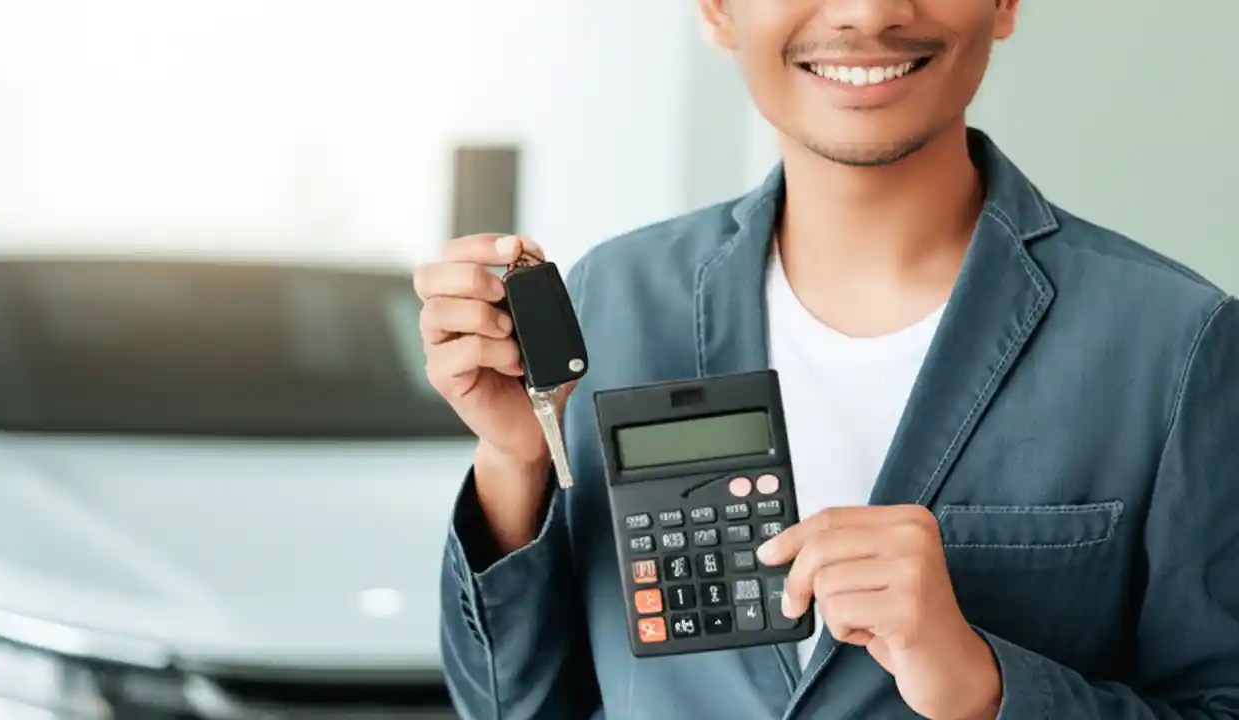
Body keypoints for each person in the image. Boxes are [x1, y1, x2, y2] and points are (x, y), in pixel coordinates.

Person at [414, 1, 1239, 717]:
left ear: (1005, 2)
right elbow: (512, 705)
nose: (868, 13)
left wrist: (985, 687)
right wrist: (516, 461)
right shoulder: (611, 302)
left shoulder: (1175, 343)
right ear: (718, 8)